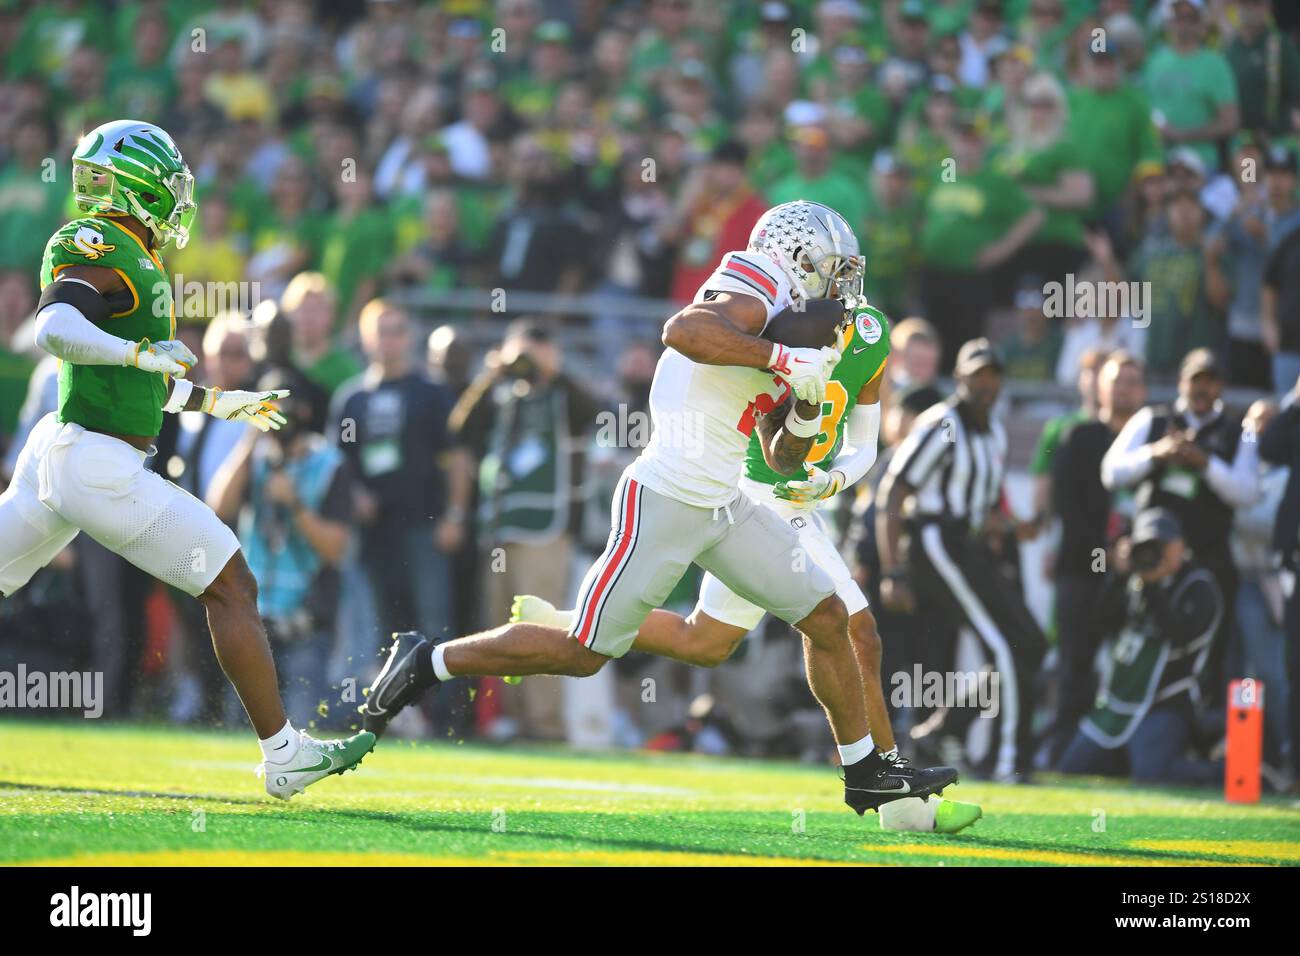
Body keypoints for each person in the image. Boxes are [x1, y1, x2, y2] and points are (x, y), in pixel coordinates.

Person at [364, 200, 957, 815]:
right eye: (833, 268)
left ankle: (863, 772)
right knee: (582, 653)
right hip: (666, 497)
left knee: (827, 618)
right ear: (798, 256)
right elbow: (683, 330)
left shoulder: (803, 327)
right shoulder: (762, 281)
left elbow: (780, 458)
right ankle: (428, 659)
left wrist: (807, 404)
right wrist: (784, 361)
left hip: (727, 502)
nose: (840, 285)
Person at [0, 120, 372, 798]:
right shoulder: (105, 242)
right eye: (169, 187)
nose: (179, 202)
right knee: (232, 583)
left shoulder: (140, 260)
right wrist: (137, 352)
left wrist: (220, 402)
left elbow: (145, 381)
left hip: (64, 452)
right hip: (93, 462)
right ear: (141, 184)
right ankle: (284, 754)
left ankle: (284, 753)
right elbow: (55, 328)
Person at [512, 301, 978, 832]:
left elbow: (865, 438)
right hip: (755, 497)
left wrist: (835, 481)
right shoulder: (774, 323)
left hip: (802, 499)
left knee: (704, 642)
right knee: (858, 632)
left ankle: (570, 621)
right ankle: (899, 800)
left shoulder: (870, 332)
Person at [878, 338, 1047, 781]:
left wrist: (1013, 528)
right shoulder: (942, 423)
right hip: (935, 542)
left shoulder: (993, 431)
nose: (986, 385)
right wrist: (893, 568)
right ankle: (1012, 763)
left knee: (1029, 642)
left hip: (967, 543)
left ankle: (941, 728)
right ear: (960, 379)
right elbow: (895, 491)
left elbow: (982, 508)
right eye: (977, 376)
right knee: (1003, 646)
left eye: (993, 375)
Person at [209, 369, 354, 725]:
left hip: (306, 618)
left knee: (302, 726)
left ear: (303, 411)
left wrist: (295, 505)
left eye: (281, 408)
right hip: (254, 613)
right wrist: (248, 441)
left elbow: (336, 549)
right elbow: (218, 507)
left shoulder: (330, 465)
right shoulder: (254, 461)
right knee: (240, 728)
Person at [333, 300, 468, 646]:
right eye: (382, 331)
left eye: (398, 331)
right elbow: (336, 462)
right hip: (375, 535)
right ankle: (394, 702)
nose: (389, 340)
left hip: (427, 527)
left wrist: (454, 516)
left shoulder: (433, 393)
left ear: (410, 337)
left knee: (435, 628)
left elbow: (458, 458)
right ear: (365, 338)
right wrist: (356, 495)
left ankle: (442, 702)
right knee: (384, 630)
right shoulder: (351, 399)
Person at [1059, 508, 1222, 786]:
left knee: (1149, 776)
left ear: (1180, 546)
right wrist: (1119, 576)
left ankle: (1224, 772)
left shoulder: (1200, 585)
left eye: (1163, 544)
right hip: (1116, 703)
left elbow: (1180, 635)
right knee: (1072, 769)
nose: (1155, 552)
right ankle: (1125, 759)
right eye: (1148, 544)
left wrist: (1154, 587)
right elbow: (1101, 623)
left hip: (1166, 703)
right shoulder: (1132, 580)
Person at [1042, 351, 1147, 766]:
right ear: (1099, 386)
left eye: (1133, 380)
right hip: (1082, 573)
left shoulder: (1152, 440)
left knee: (1133, 671)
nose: (1124, 388)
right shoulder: (1079, 436)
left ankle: (1125, 759)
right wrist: (1104, 554)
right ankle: (1064, 758)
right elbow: (1067, 505)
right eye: (1117, 379)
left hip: (1139, 576)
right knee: (1075, 671)